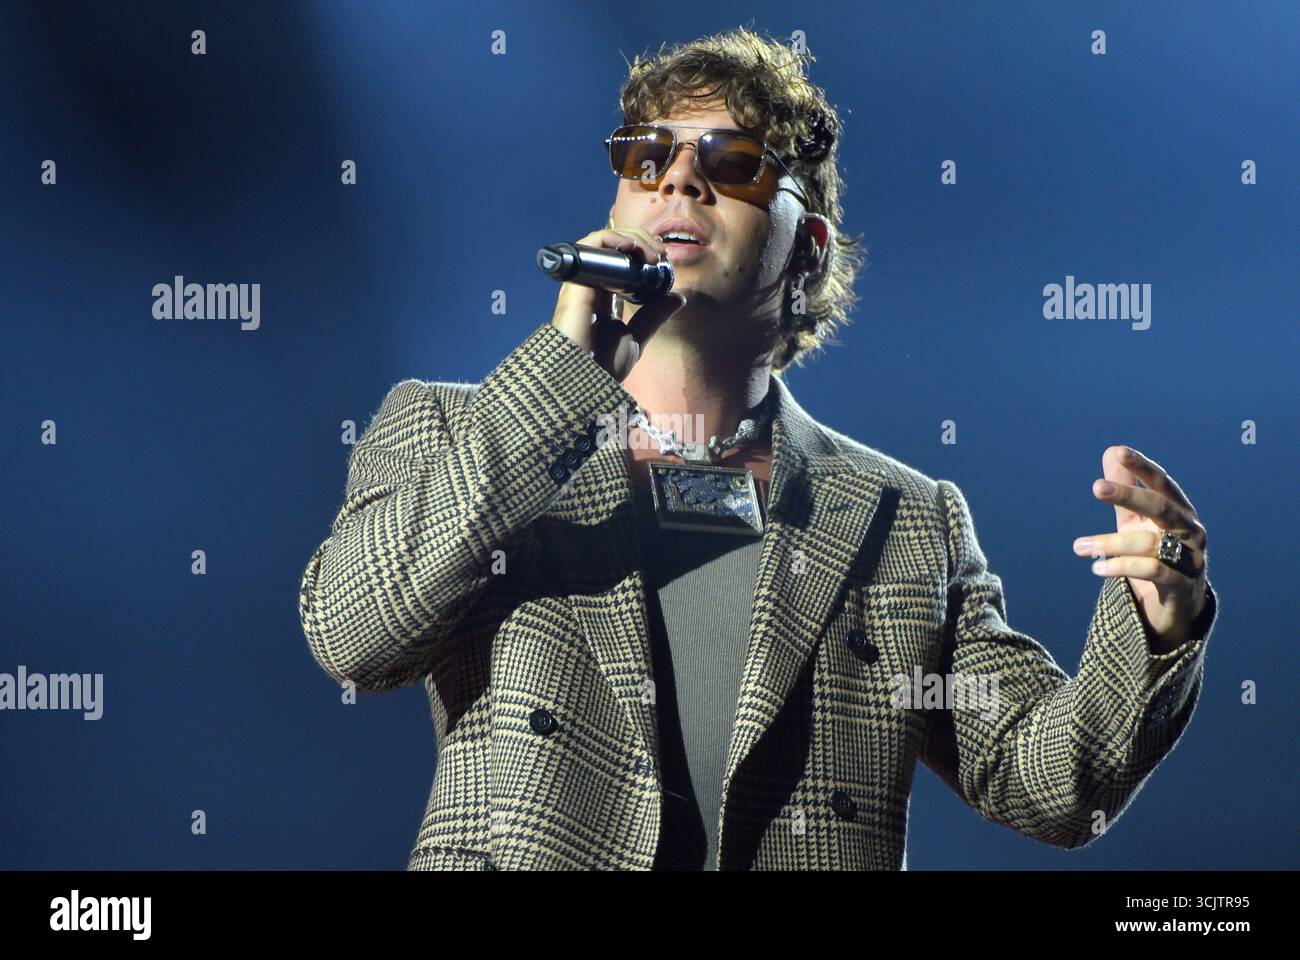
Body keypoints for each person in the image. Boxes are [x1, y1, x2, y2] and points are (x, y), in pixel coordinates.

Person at [298, 27, 1217, 870]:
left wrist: (1158, 624)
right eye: (647, 156)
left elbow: (1042, 780)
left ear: (807, 248)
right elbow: (354, 632)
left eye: (731, 162)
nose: (679, 181)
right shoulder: (462, 429)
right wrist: (562, 377)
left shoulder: (904, 521)